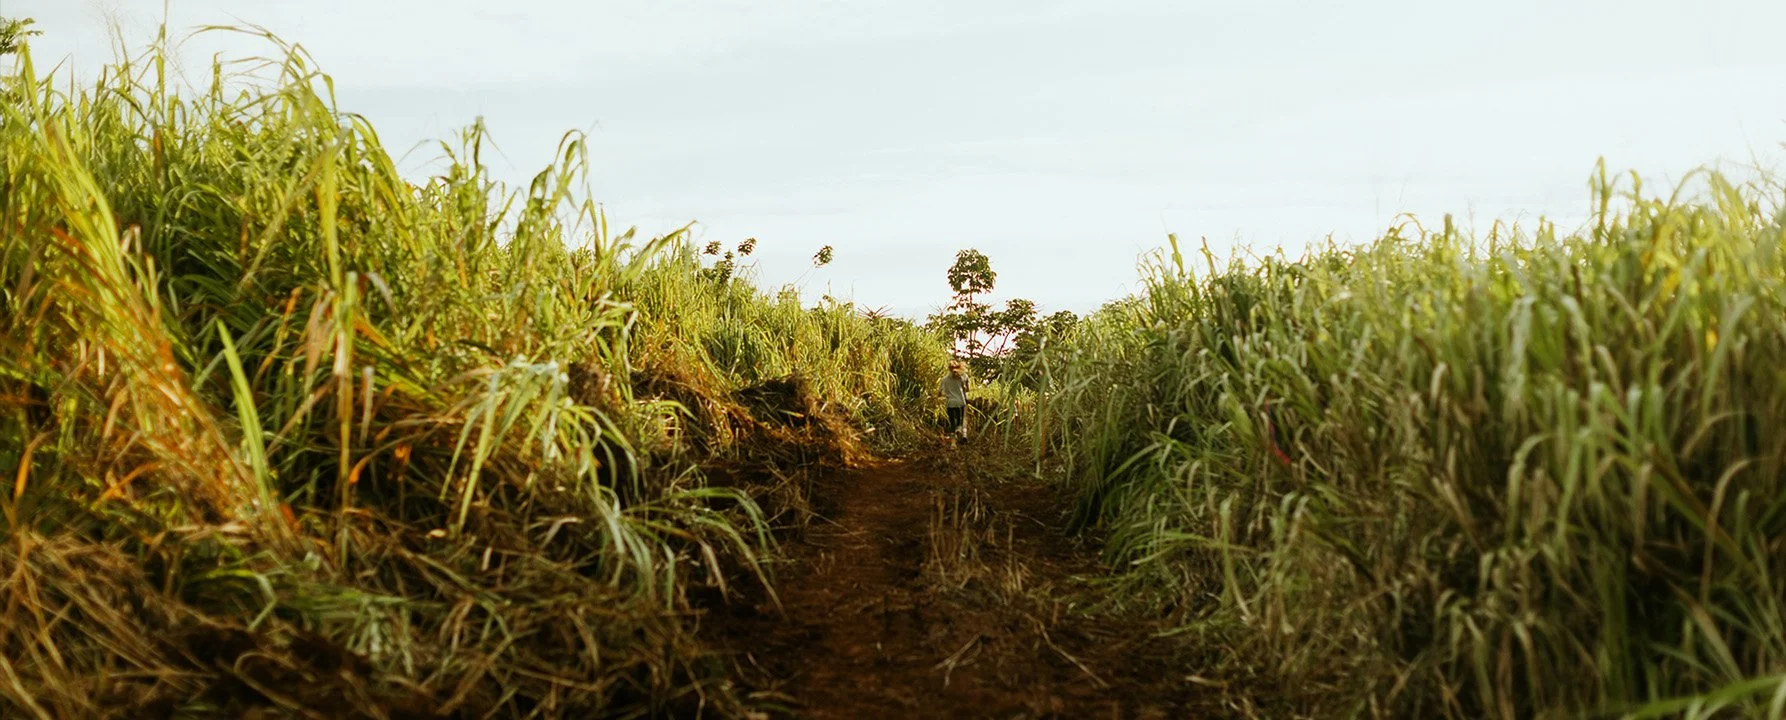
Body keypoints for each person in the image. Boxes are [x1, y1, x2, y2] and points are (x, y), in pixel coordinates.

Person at [940, 360, 969, 439]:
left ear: (949, 369)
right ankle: (960, 431)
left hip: (950, 403)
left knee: (952, 422)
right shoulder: (962, 377)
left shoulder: (944, 379)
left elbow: (939, 392)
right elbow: (967, 389)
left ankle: (953, 439)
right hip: (961, 402)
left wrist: (944, 395)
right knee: (960, 421)